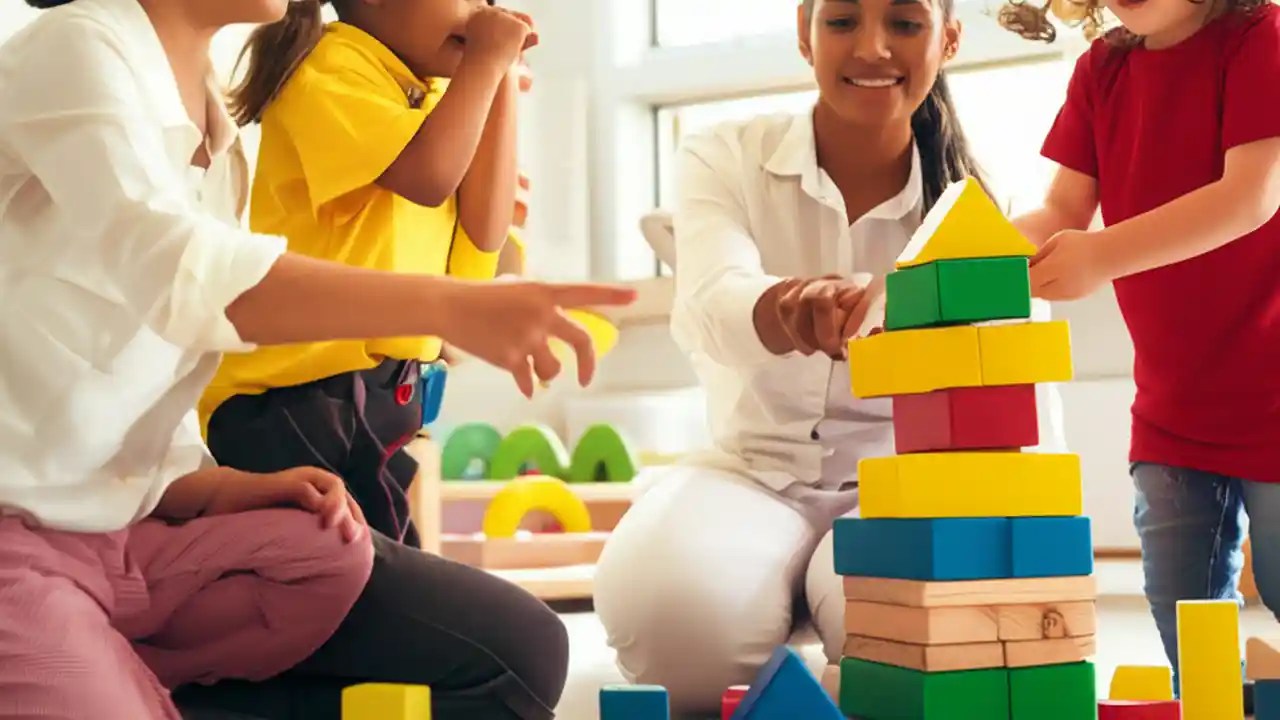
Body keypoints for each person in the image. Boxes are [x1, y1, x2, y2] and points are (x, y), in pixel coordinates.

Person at [0, 1, 635, 718]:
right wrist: (446, 304)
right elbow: (183, 274)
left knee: (501, 636)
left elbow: (157, 353)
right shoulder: (75, 50)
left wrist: (207, 485)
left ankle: (114, 665)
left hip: (128, 537)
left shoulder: (217, 124)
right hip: (22, 540)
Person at [592, 0, 1067, 712]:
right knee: (677, 633)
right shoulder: (725, 153)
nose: (872, 48)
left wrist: (1029, 548)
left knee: (940, 645)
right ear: (804, 38)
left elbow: (1013, 378)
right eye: (842, 21)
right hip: (748, 474)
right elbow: (710, 302)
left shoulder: (982, 205)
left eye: (905, 24)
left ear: (950, 40)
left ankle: (843, 669)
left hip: (904, 484)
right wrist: (783, 306)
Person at [1000, 0, 1280, 704]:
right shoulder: (1103, 69)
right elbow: (1062, 212)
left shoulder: (1261, 39)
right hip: (1172, 406)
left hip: (1273, 397)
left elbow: (1250, 196)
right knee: (1183, 603)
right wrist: (968, 252)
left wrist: (1103, 255)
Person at [200, 0, 530, 548]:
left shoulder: (440, 95)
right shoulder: (330, 65)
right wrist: (487, 65)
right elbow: (428, 176)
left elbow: (486, 232)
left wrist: (501, 76)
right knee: (364, 586)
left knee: (392, 583)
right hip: (290, 405)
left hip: (376, 404)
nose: (481, 11)